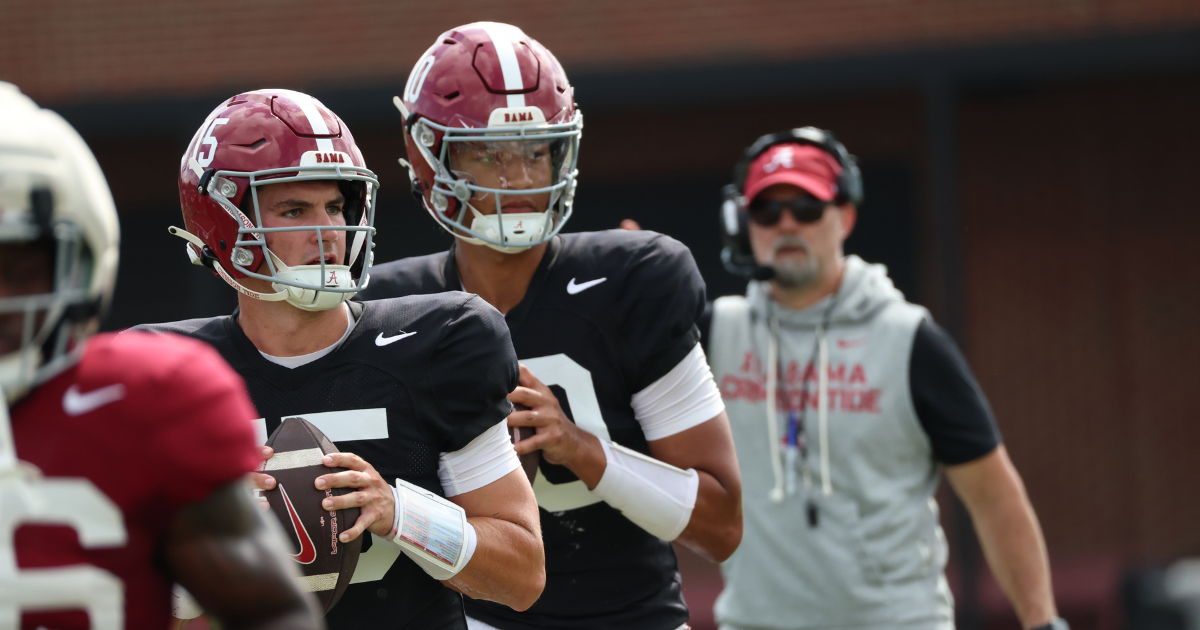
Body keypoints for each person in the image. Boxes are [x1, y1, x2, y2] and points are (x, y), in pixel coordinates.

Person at [359, 22, 743, 630]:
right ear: (426, 156)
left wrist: (581, 450)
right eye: (487, 152)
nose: (517, 179)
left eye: (536, 150)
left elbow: (721, 526)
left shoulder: (633, 281)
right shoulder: (387, 307)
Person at [134, 89, 544, 629]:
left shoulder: (438, 342)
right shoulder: (162, 374)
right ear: (223, 226)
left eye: (335, 206)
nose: (327, 230)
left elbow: (522, 576)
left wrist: (401, 514)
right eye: (294, 210)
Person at [707, 128, 1065, 630]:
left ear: (846, 216)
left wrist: (1042, 622)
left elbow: (993, 496)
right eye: (767, 210)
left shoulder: (909, 340)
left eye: (807, 208)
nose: (786, 224)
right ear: (742, 224)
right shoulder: (713, 333)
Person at [0, 82, 325, 629]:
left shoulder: (146, 399)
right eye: (295, 208)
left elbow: (273, 617)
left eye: (21, 264)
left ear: (82, 258)